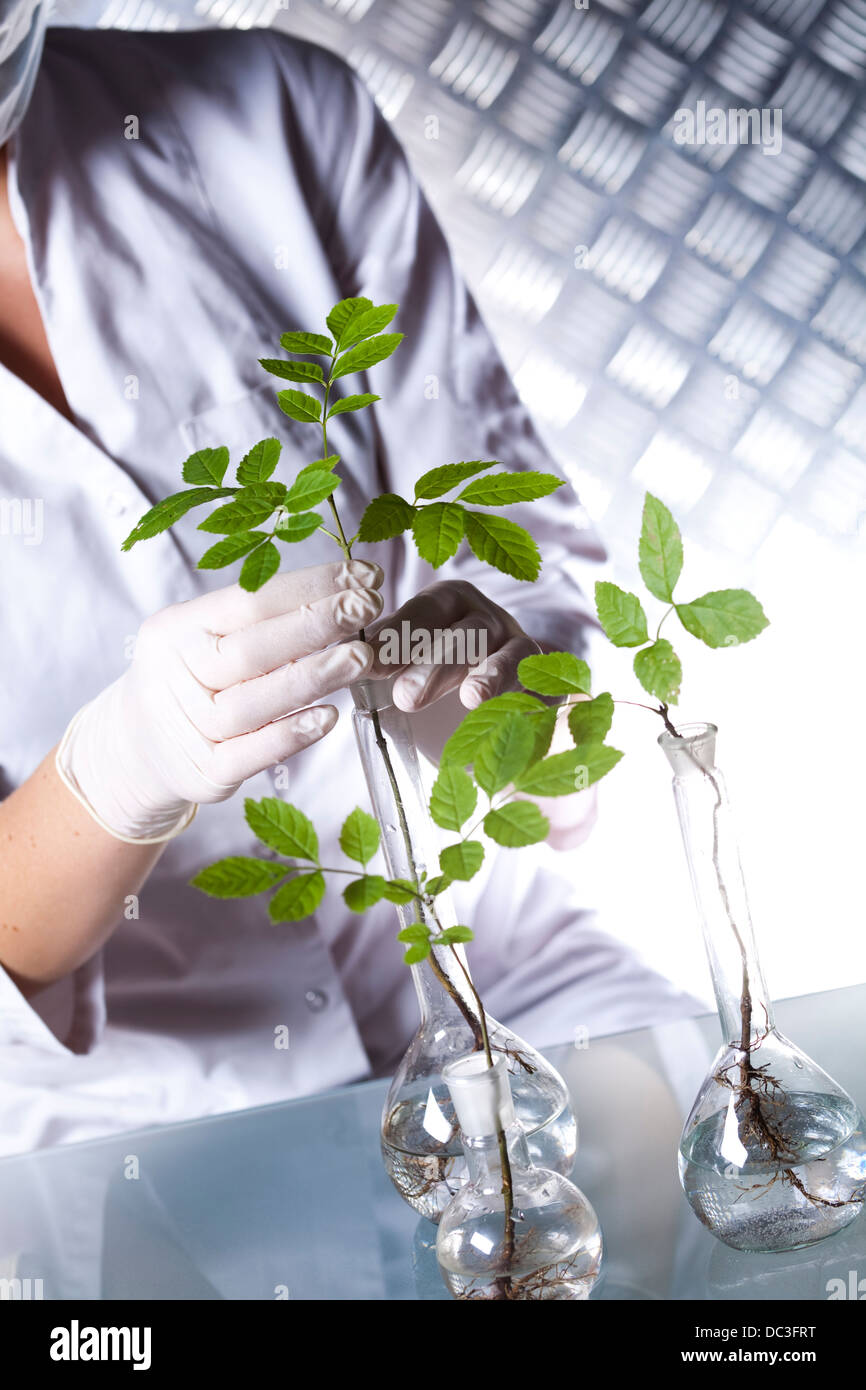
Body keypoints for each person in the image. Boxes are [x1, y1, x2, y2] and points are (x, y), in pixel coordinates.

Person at [0, 8, 697, 1157]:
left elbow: (526, 578)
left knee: (736, 1262)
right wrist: (116, 773)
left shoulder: (269, 115)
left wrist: (496, 683)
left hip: (496, 963)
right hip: (134, 1113)